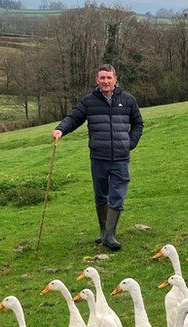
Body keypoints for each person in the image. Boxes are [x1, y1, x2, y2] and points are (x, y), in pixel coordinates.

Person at [52, 64, 143, 251]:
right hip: (98, 157)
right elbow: (74, 118)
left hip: (120, 158)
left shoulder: (127, 100)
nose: (106, 81)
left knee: (117, 195)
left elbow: (138, 123)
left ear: (115, 80)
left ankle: (110, 235)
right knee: (101, 195)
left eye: (109, 78)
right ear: (97, 80)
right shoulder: (89, 101)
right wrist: (61, 129)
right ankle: (103, 232)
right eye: (102, 78)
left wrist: (129, 143)